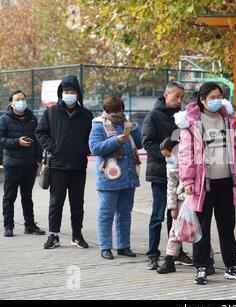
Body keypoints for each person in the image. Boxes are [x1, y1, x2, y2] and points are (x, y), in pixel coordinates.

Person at [177, 82, 236, 285]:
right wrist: (188, 180)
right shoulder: (191, 122)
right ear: (202, 99)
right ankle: (201, 267)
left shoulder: (228, 119)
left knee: (227, 226)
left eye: (219, 96)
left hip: (226, 181)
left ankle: (231, 266)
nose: (217, 100)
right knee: (202, 226)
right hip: (203, 184)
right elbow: (185, 154)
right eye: (212, 97)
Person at [36, 75, 93, 249]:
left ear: (78, 94)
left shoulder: (86, 114)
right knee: (56, 202)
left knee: (77, 203)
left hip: (78, 166)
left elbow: (92, 138)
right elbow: (40, 133)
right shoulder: (51, 112)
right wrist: (54, 148)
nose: (70, 94)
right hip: (58, 166)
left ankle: (77, 235)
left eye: (73, 91)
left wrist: (84, 150)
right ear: (61, 93)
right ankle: (53, 235)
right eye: (66, 91)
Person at [142, 81, 192, 270]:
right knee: (158, 215)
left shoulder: (183, 117)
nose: (179, 100)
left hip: (179, 173)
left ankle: (176, 252)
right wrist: (167, 156)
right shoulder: (153, 115)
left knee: (176, 215)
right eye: (176, 96)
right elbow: (147, 142)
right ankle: (152, 254)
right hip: (159, 173)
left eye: (181, 97)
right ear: (166, 94)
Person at [89, 96, 142, 260]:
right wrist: (115, 141)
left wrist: (134, 129)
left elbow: (139, 144)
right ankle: (105, 247)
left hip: (128, 177)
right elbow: (95, 148)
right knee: (106, 214)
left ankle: (123, 246)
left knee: (125, 213)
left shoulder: (126, 124)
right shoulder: (98, 125)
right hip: (109, 178)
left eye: (120, 110)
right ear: (107, 111)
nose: (118, 114)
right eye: (114, 111)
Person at [156, 137, 216, 276]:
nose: (168, 159)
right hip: (181, 201)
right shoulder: (171, 166)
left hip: (197, 199)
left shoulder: (193, 160)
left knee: (200, 230)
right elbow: (170, 187)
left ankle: (208, 262)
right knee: (175, 231)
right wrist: (173, 207)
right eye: (165, 157)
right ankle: (170, 260)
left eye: (169, 155)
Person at [0, 90, 45, 237]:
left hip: (29, 164)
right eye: (17, 99)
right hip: (12, 164)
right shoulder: (4, 119)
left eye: (23, 99)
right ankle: (8, 226)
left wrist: (38, 157)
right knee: (9, 196)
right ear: (11, 103)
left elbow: (39, 138)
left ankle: (30, 225)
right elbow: (1, 140)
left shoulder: (32, 118)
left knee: (27, 196)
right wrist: (17, 142)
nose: (21, 102)